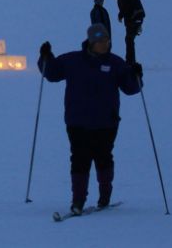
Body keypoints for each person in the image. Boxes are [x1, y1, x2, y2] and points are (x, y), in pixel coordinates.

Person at [38, 25, 142, 216]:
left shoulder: (116, 63)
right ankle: (78, 200)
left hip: (106, 122)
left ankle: (105, 197)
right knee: (79, 160)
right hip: (77, 121)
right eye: (102, 41)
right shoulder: (73, 60)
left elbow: (131, 88)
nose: (106, 44)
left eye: (107, 41)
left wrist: (136, 75)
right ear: (92, 42)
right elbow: (51, 73)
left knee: (104, 158)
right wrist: (46, 57)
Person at [107, 0, 145, 65]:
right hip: (135, 18)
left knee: (129, 39)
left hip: (134, 18)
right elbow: (126, 7)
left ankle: (130, 61)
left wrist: (121, 15)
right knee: (129, 39)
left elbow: (126, 8)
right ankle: (130, 60)